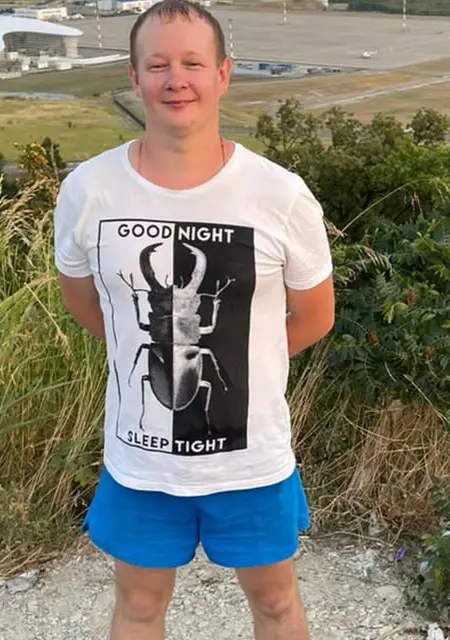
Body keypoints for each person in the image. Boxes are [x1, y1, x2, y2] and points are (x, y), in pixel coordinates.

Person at [53, 1, 335, 638]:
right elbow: (85, 302)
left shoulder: (280, 194)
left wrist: (246, 359)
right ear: (135, 77)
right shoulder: (89, 190)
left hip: (251, 459)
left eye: (192, 63)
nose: (175, 79)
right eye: (158, 65)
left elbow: (315, 317)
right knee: (138, 605)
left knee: (276, 603)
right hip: (140, 459)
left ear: (223, 74)